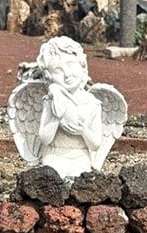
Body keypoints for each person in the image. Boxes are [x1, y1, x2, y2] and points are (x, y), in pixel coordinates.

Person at [36, 37, 103, 178]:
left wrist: (84, 131)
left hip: (80, 156)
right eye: (58, 70)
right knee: (51, 176)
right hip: (54, 155)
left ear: (82, 65)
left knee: (81, 177)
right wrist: (56, 114)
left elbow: (96, 144)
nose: (67, 74)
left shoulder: (92, 103)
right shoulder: (50, 101)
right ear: (49, 76)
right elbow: (45, 139)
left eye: (71, 64)